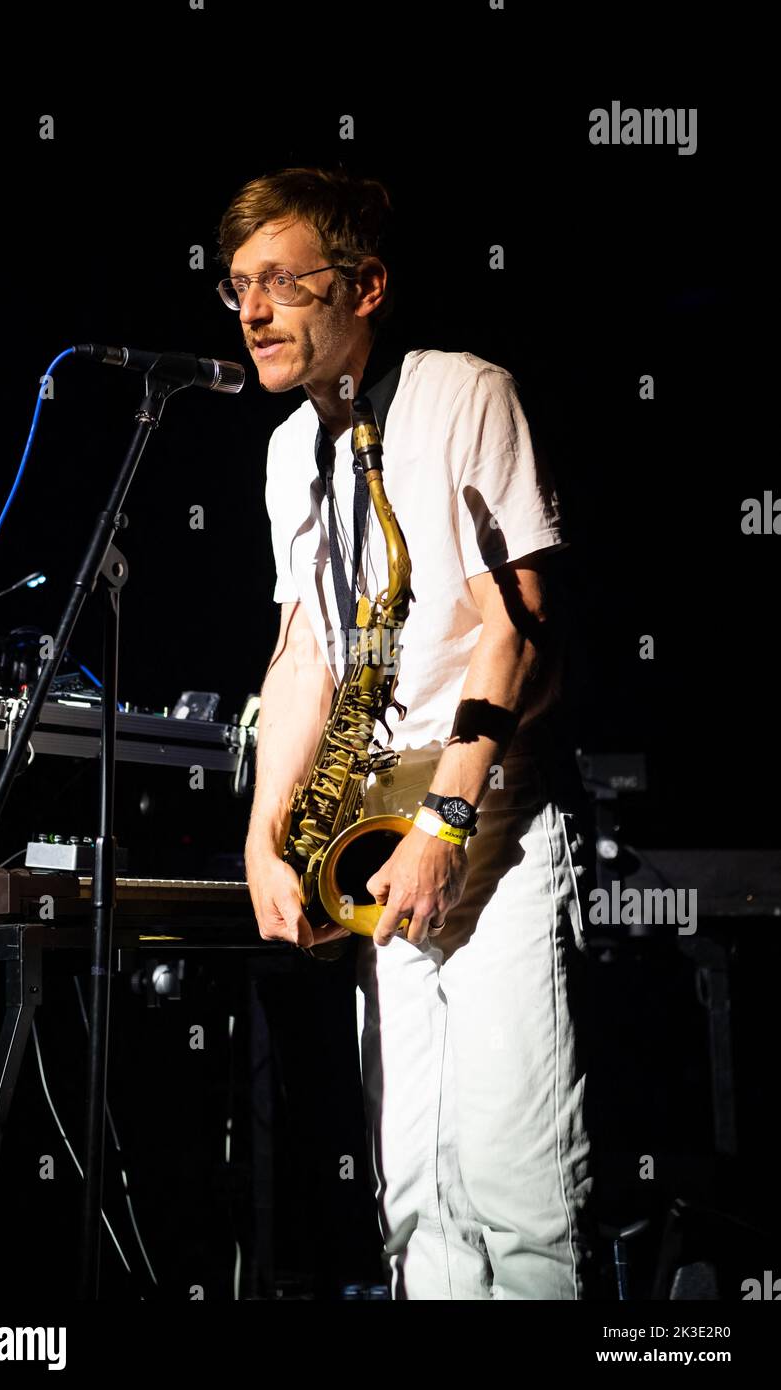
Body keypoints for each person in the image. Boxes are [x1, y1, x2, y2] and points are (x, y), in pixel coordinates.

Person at [222, 167, 598, 1300]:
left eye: (283, 282)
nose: (253, 311)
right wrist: (263, 839)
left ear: (366, 286)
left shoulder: (464, 393)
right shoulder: (290, 451)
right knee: (414, 1202)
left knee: (520, 1197)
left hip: (490, 817)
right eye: (238, 286)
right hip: (381, 833)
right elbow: (304, 656)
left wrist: (445, 821)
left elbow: (518, 626)